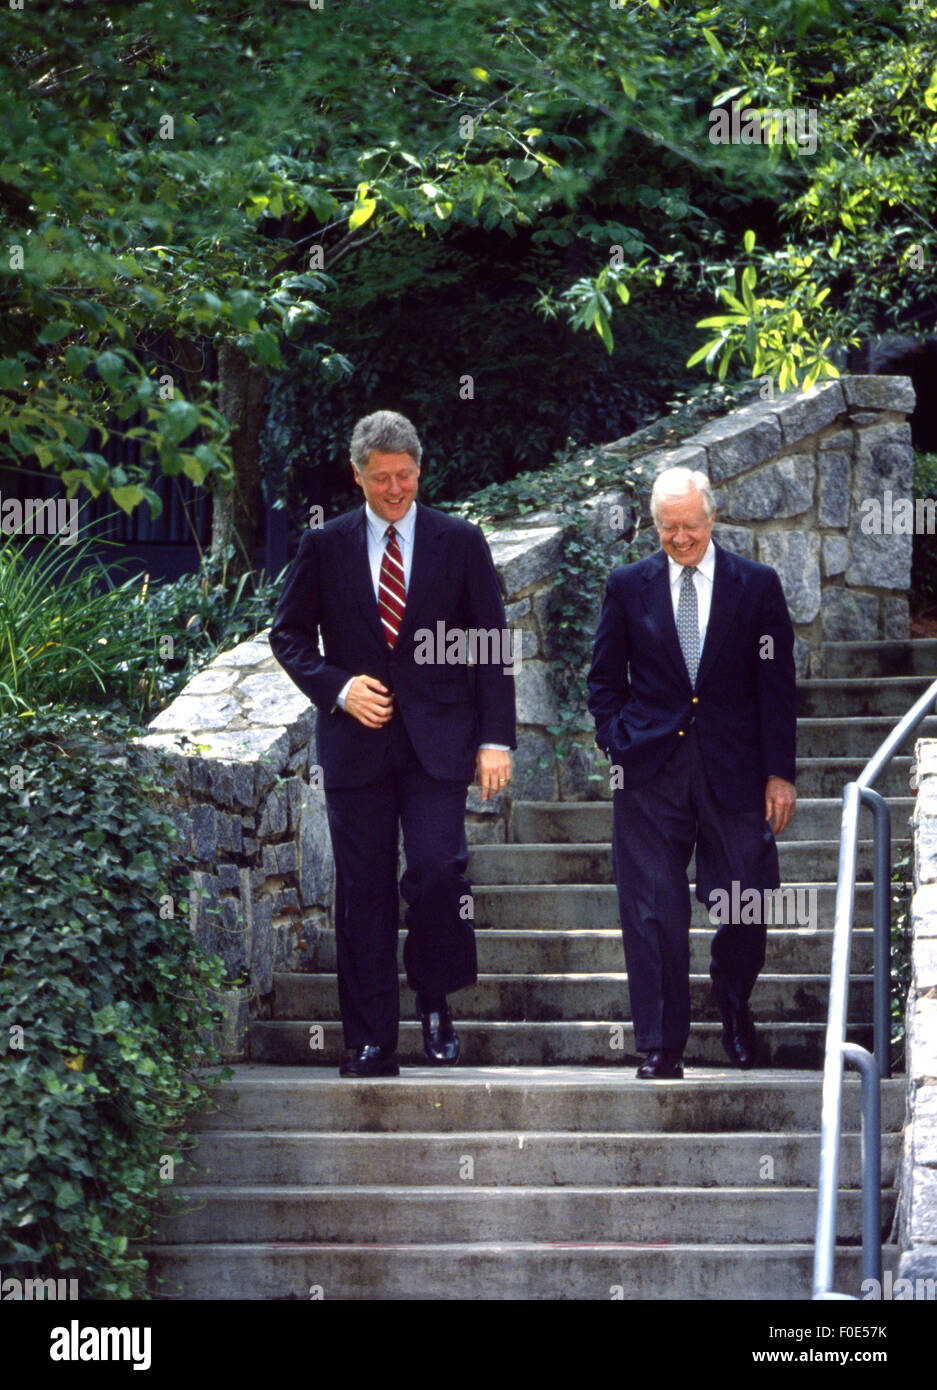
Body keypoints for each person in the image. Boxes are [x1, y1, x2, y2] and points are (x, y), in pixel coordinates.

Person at [269, 410, 516, 1078]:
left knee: (436, 871)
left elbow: (490, 644)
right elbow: (287, 636)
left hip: (441, 743)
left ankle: (435, 997)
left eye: (404, 476)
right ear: (357, 476)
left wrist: (497, 738)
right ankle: (370, 1038)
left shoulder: (459, 541)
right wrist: (337, 687)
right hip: (356, 745)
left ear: (418, 469)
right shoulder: (324, 546)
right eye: (381, 478)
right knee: (364, 890)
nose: (395, 489)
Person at [587, 466, 797, 1079]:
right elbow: (604, 680)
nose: (679, 537)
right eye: (666, 527)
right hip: (649, 771)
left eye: (689, 526)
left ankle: (732, 999)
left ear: (712, 518)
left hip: (737, 770)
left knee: (745, 898)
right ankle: (661, 1045)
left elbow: (777, 688)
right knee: (651, 909)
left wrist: (779, 774)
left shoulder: (756, 585)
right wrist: (615, 743)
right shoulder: (628, 585)